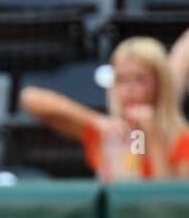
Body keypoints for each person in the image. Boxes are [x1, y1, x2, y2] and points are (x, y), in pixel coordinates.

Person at [19, 36, 189, 180]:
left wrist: (152, 136)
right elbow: (30, 98)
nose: (129, 89)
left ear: (160, 83)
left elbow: (168, 203)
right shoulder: (108, 132)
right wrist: (96, 120)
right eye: (122, 80)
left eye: (139, 79)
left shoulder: (182, 138)